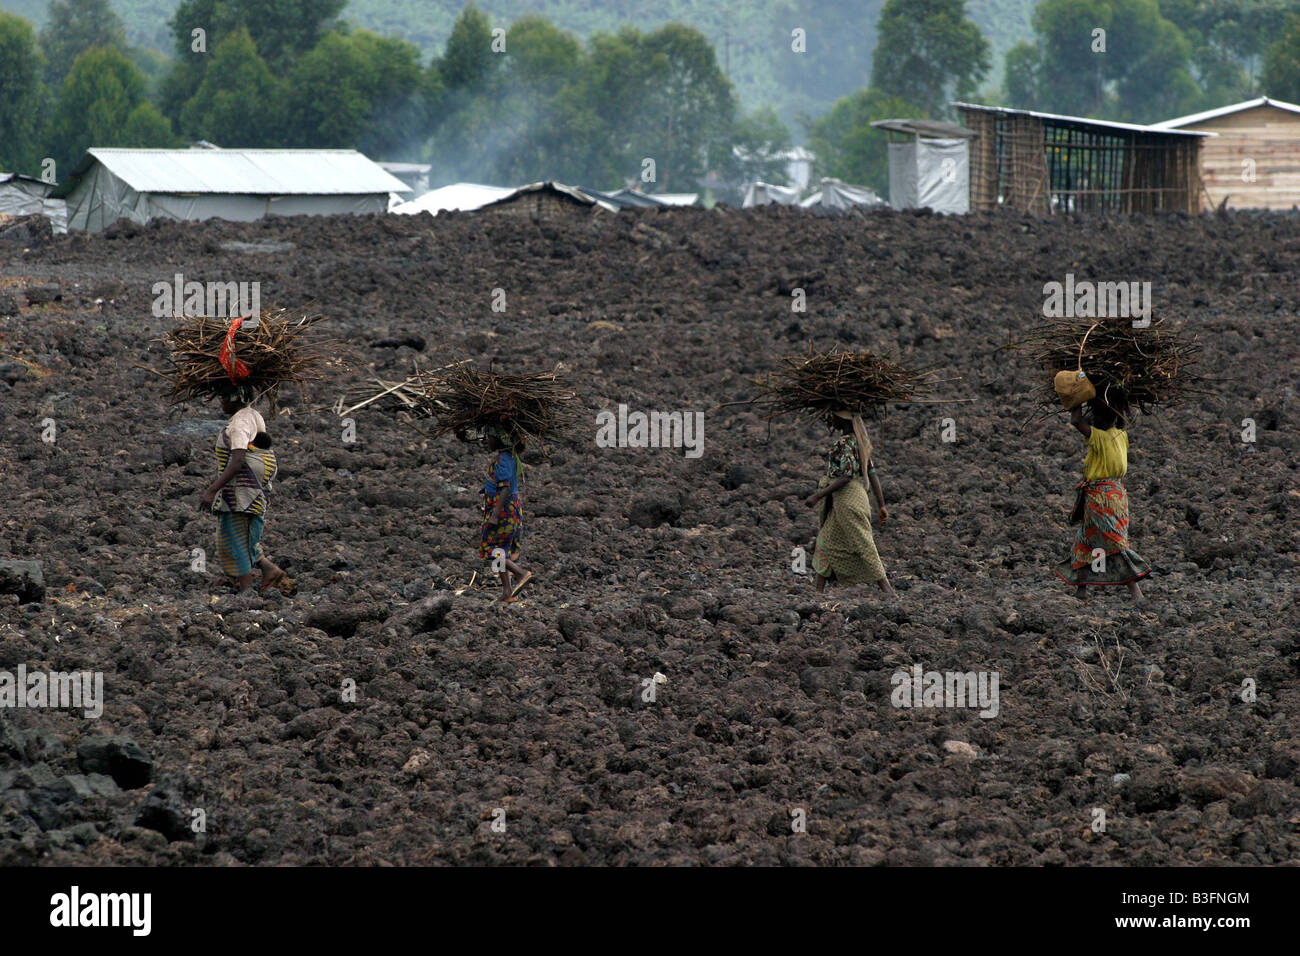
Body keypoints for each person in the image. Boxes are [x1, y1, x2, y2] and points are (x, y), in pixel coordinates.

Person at [1055, 396, 1150, 600]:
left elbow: (1076, 422)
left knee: (1110, 541)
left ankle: (1136, 592)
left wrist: (1076, 401)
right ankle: (1081, 589)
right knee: (1087, 540)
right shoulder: (1121, 435)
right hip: (1117, 496)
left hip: (1101, 499)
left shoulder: (1099, 437)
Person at [201, 382, 290, 594]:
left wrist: (212, 490)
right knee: (242, 534)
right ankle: (267, 571)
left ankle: (246, 590)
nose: (221, 403)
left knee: (235, 537)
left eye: (223, 398)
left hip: (243, 487)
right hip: (253, 486)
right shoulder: (253, 415)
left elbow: (238, 460)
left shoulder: (238, 423)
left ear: (234, 399)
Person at [804, 410, 896, 597]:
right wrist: (882, 505)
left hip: (847, 499)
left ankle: (887, 589)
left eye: (834, 416)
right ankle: (818, 593)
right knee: (825, 541)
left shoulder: (846, 443)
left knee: (862, 542)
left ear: (843, 419)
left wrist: (818, 496)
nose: (831, 419)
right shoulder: (859, 442)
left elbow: (845, 477)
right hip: (852, 498)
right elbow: (872, 473)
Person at [480, 425, 532, 603]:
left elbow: (505, 488)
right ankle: (507, 592)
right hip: (507, 508)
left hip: (503, 510)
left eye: (490, 438)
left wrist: (494, 515)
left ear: (500, 439)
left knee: (494, 549)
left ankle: (520, 573)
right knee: (500, 550)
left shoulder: (504, 460)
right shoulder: (509, 457)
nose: (488, 441)